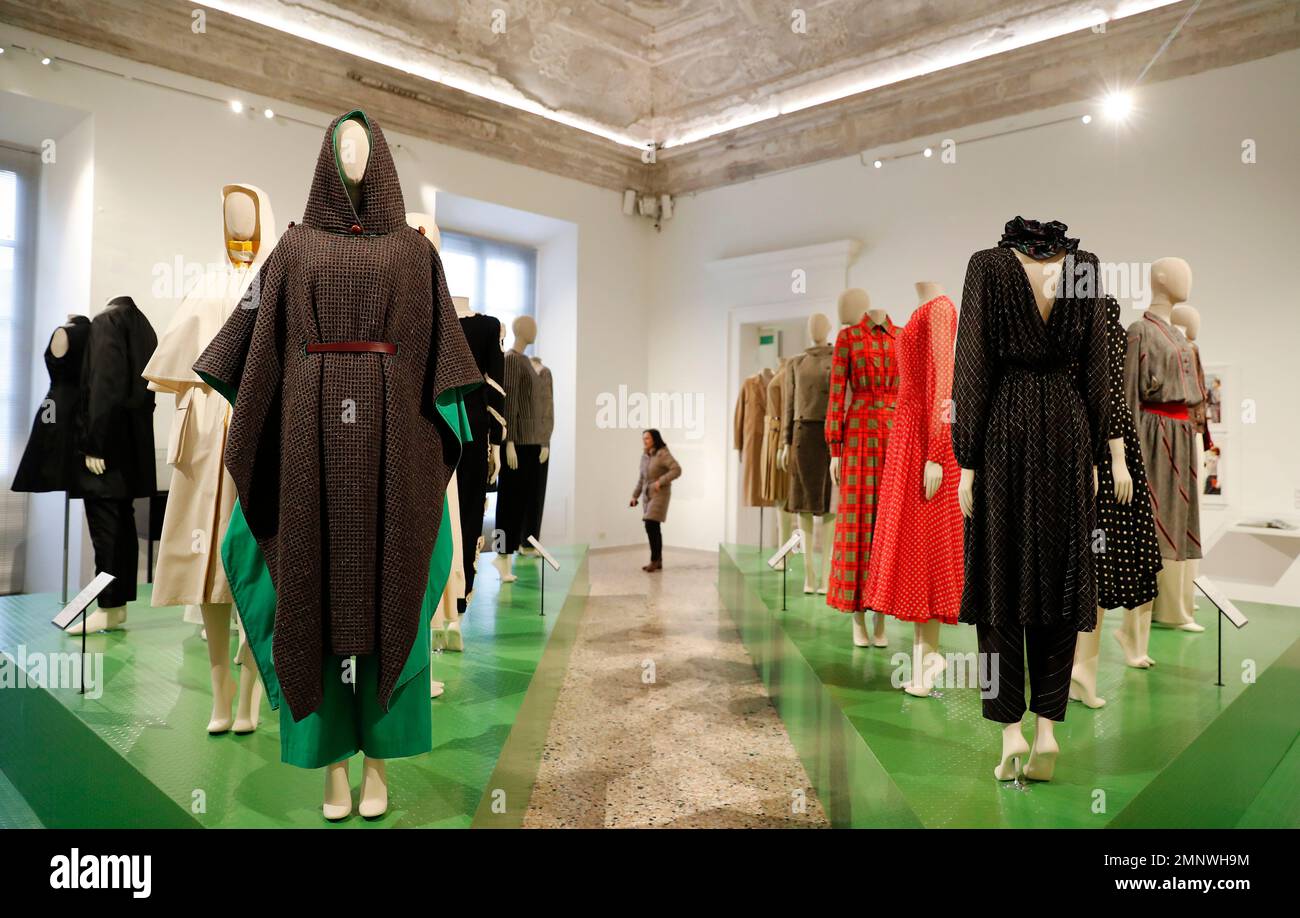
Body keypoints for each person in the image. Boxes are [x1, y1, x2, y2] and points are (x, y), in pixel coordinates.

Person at [629, 429, 682, 572]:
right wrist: (635, 496)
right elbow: (642, 479)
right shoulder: (645, 456)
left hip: (660, 493)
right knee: (653, 527)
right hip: (647, 495)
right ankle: (658, 560)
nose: (644, 441)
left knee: (650, 524)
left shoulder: (662, 453)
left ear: (655, 439)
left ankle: (654, 560)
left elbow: (676, 469)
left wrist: (661, 481)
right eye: (643, 438)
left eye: (647, 438)